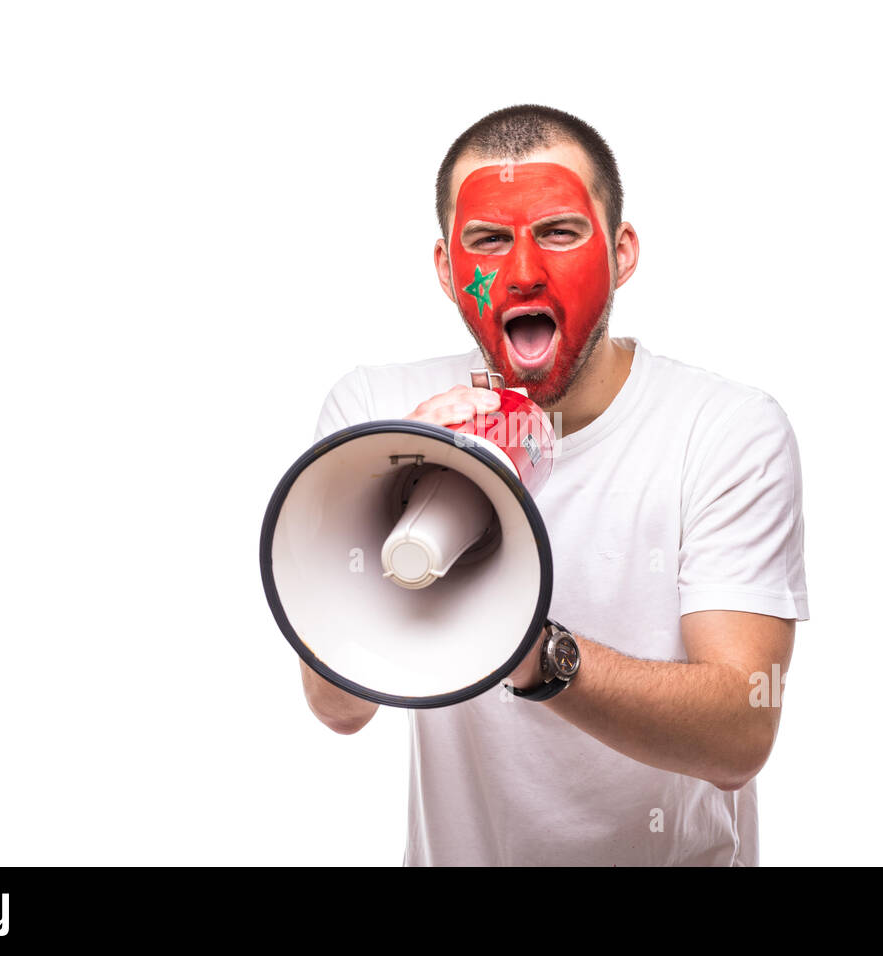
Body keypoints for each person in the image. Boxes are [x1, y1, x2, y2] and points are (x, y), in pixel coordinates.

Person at [300, 104, 809, 866]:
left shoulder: (725, 429)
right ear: (445, 266)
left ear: (623, 252)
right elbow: (336, 707)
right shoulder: (373, 416)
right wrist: (401, 471)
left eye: (561, 233)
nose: (525, 271)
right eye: (489, 240)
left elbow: (740, 733)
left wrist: (532, 650)